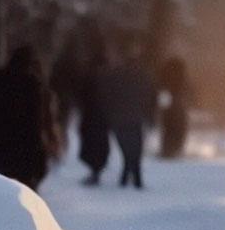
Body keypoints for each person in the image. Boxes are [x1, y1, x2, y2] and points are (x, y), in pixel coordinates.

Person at [0, 46, 59, 191]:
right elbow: (43, 121)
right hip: (27, 155)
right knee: (25, 198)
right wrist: (49, 145)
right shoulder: (36, 85)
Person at [101, 49, 156, 188]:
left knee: (125, 148)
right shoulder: (143, 77)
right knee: (136, 148)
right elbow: (150, 98)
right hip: (136, 119)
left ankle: (127, 173)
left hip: (120, 120)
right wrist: (150, 117)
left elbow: (109, 97)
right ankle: (135, 175)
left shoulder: (116, 77)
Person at [77, 53, 110, 185]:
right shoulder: (107, 78)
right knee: (99, 145)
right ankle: (96, 170)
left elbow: (81, 97)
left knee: (91, 145)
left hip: (91, 117)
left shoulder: (88, 77)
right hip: (100, 118)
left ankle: (94, 170)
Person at [158, 56, 191, 159]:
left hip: (169, 106)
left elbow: (162, 93)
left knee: (168, 128)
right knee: (179, 129)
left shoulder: (165, 78)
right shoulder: (182, 78)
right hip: (178, 107)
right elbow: (187, 92)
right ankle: (175, 149)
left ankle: (167, 150)